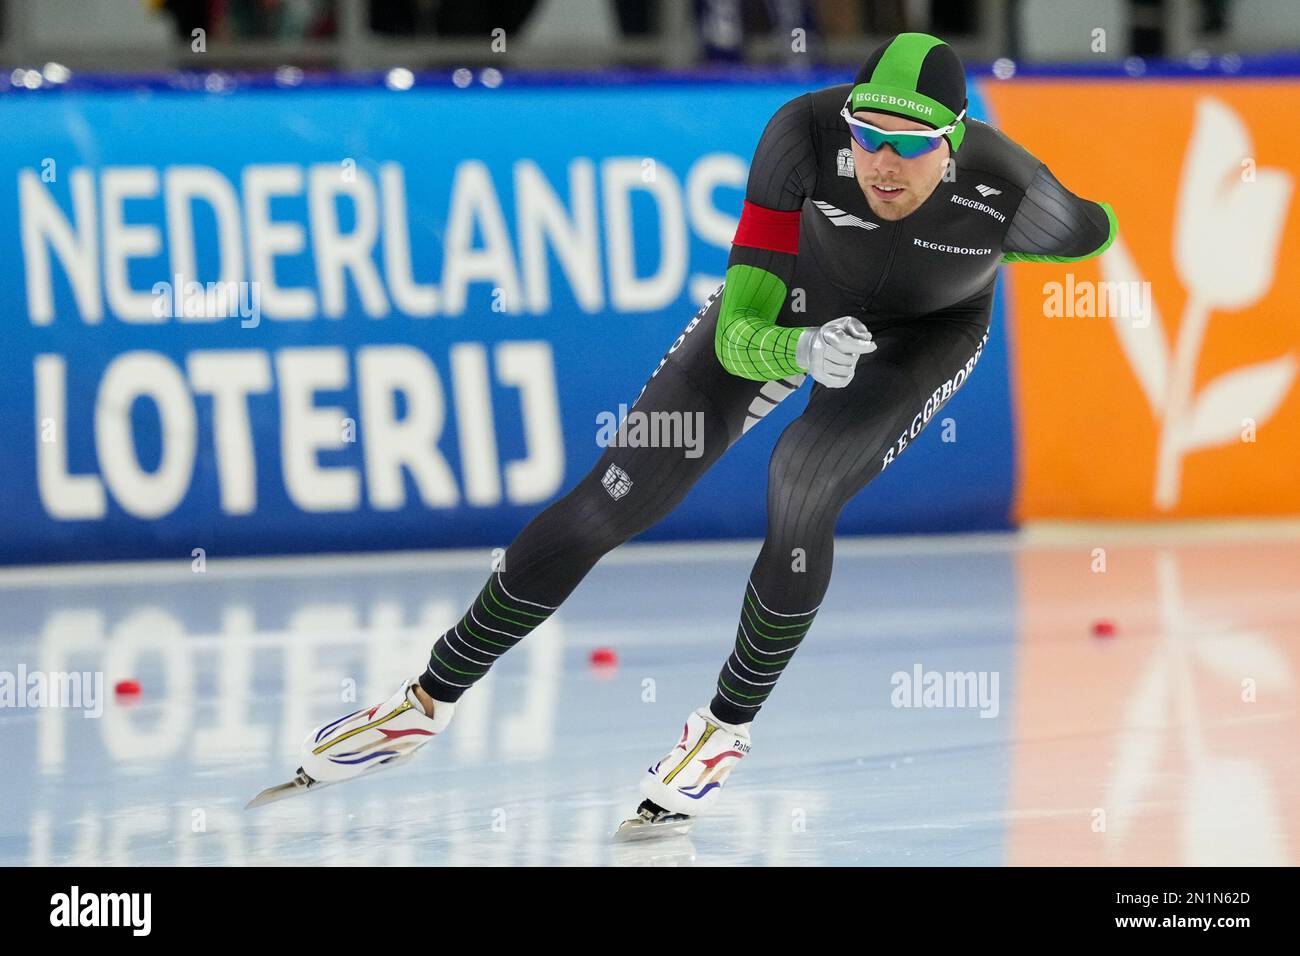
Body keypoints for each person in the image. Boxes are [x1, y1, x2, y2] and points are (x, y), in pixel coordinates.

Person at [256, 32, 1116, 833]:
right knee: (612, 497)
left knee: (802, 478)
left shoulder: (1015, 191)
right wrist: (802, 345)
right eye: (870, 133)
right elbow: (742, 330)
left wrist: (1006, 248)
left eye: (913, 142)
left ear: (955, 142)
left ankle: (723, 729)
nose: (884, 163)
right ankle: (422, 700)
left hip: (923, 337)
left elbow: (1094, 229)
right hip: (791, 309)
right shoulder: (802, 137)